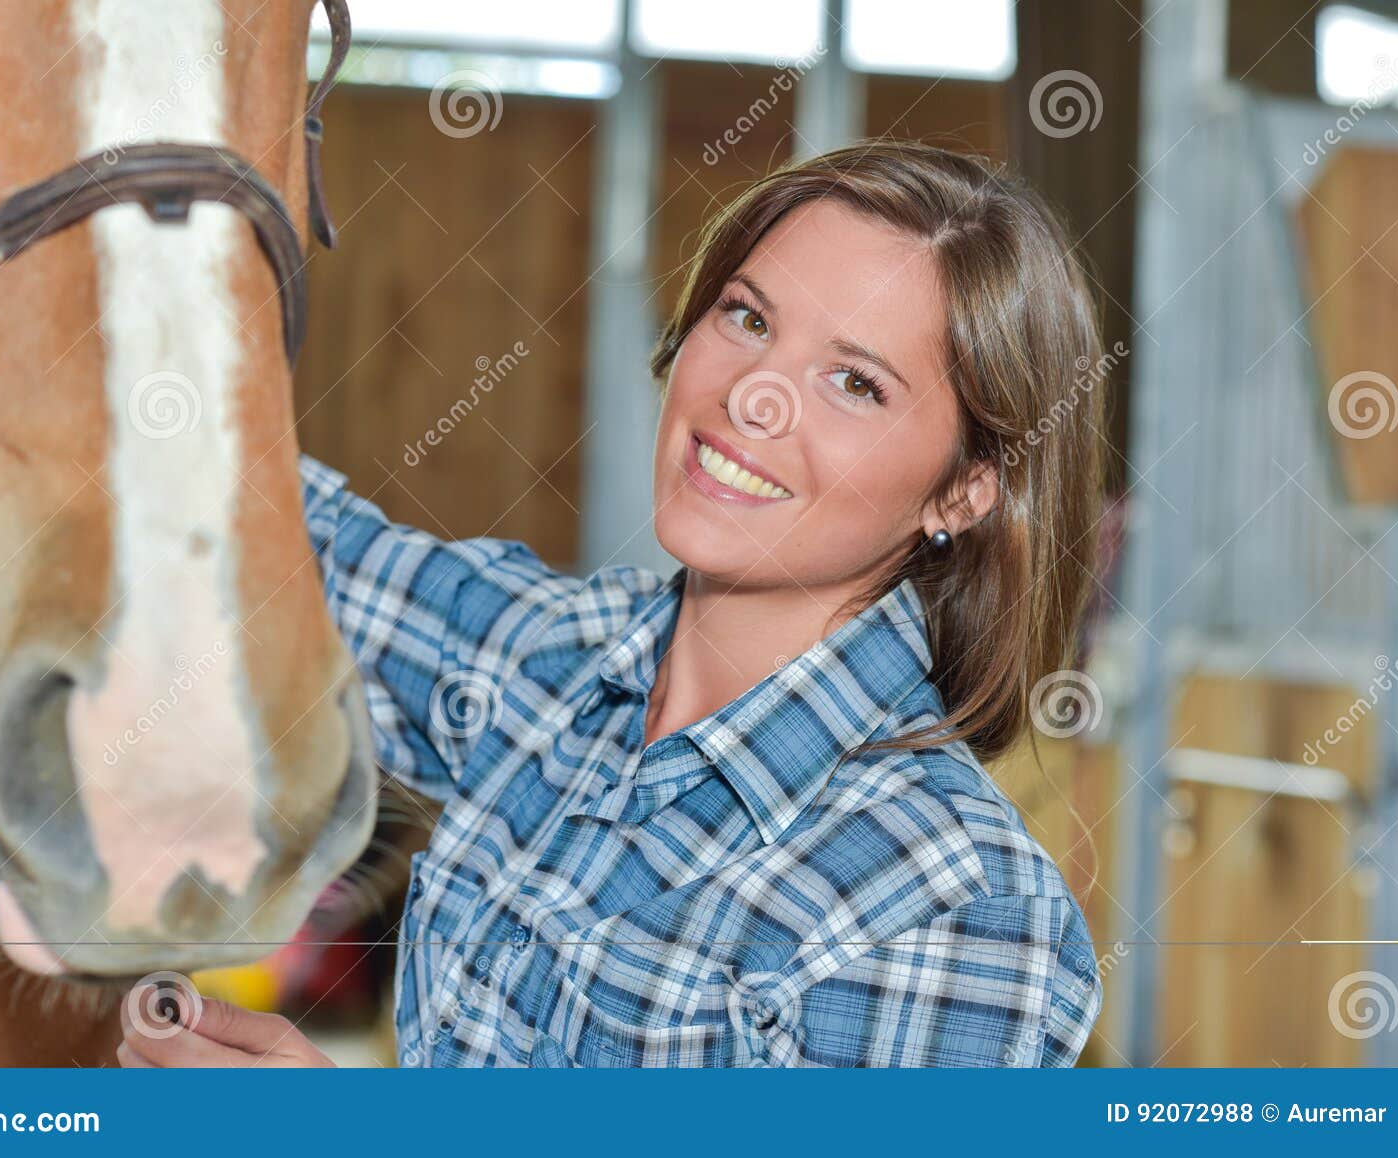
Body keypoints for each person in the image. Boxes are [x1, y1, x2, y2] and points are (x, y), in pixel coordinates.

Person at [117, 138, 1108, 1068]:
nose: (752, 396)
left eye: (854, 382)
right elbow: (283, 551)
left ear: (963, 490)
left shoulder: (958, 908)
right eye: (748, 317)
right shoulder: (555, 664)